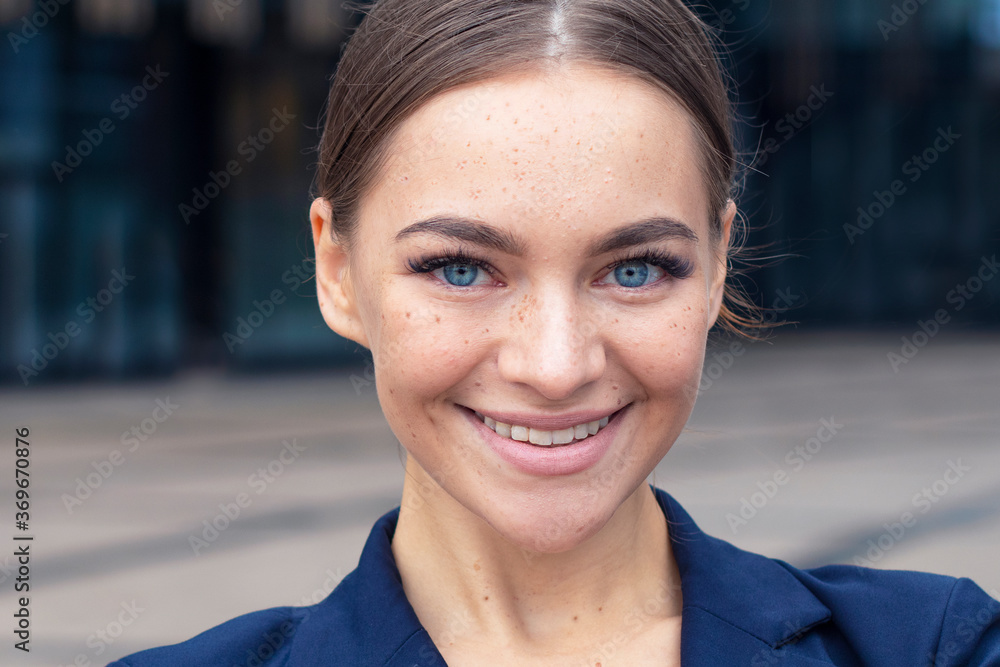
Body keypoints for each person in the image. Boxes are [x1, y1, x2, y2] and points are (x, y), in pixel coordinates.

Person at [113, 0, 1000, 665]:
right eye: (460, 267)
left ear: (721, 262)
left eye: (636, 268)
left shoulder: (934, 648)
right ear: (337, 272)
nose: (555, 365)